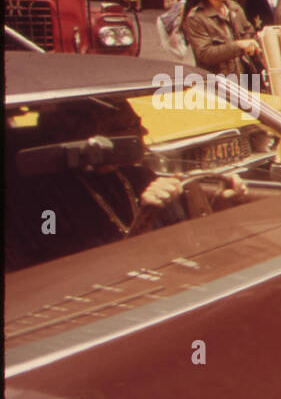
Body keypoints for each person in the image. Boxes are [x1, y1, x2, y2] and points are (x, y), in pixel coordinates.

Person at [5, 100, 245, 271]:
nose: (143, 131)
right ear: (96, 142)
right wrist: (145, 215)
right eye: (130, 127)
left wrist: (221, 205)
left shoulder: (139, 175)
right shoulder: (45, 205)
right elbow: (64, 271)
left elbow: (182, 240)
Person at [182, 0, 261, 77]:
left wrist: (256, 40)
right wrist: (238, 45)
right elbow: (205, 55)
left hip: (245, 77)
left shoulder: (234, 8)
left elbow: (249, 33)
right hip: (217, 82)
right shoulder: (196, 18)